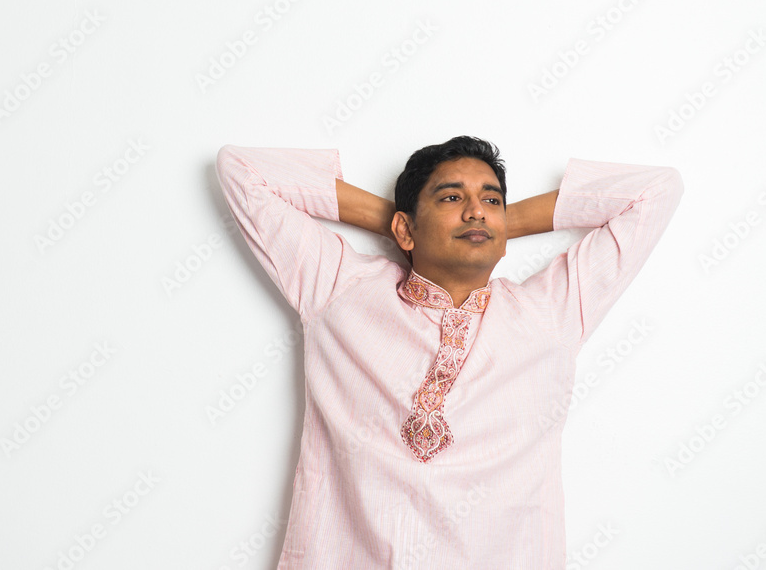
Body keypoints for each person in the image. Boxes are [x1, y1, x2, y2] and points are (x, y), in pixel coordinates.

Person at [215, 135, 684, 568]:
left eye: (492, 201)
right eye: (452, 198)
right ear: (404, 229)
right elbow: (241, 169)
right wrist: (399, 222)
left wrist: (501, 224)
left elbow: (656, 191)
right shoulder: (340, 288)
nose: (477, 212)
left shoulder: (550, 313)